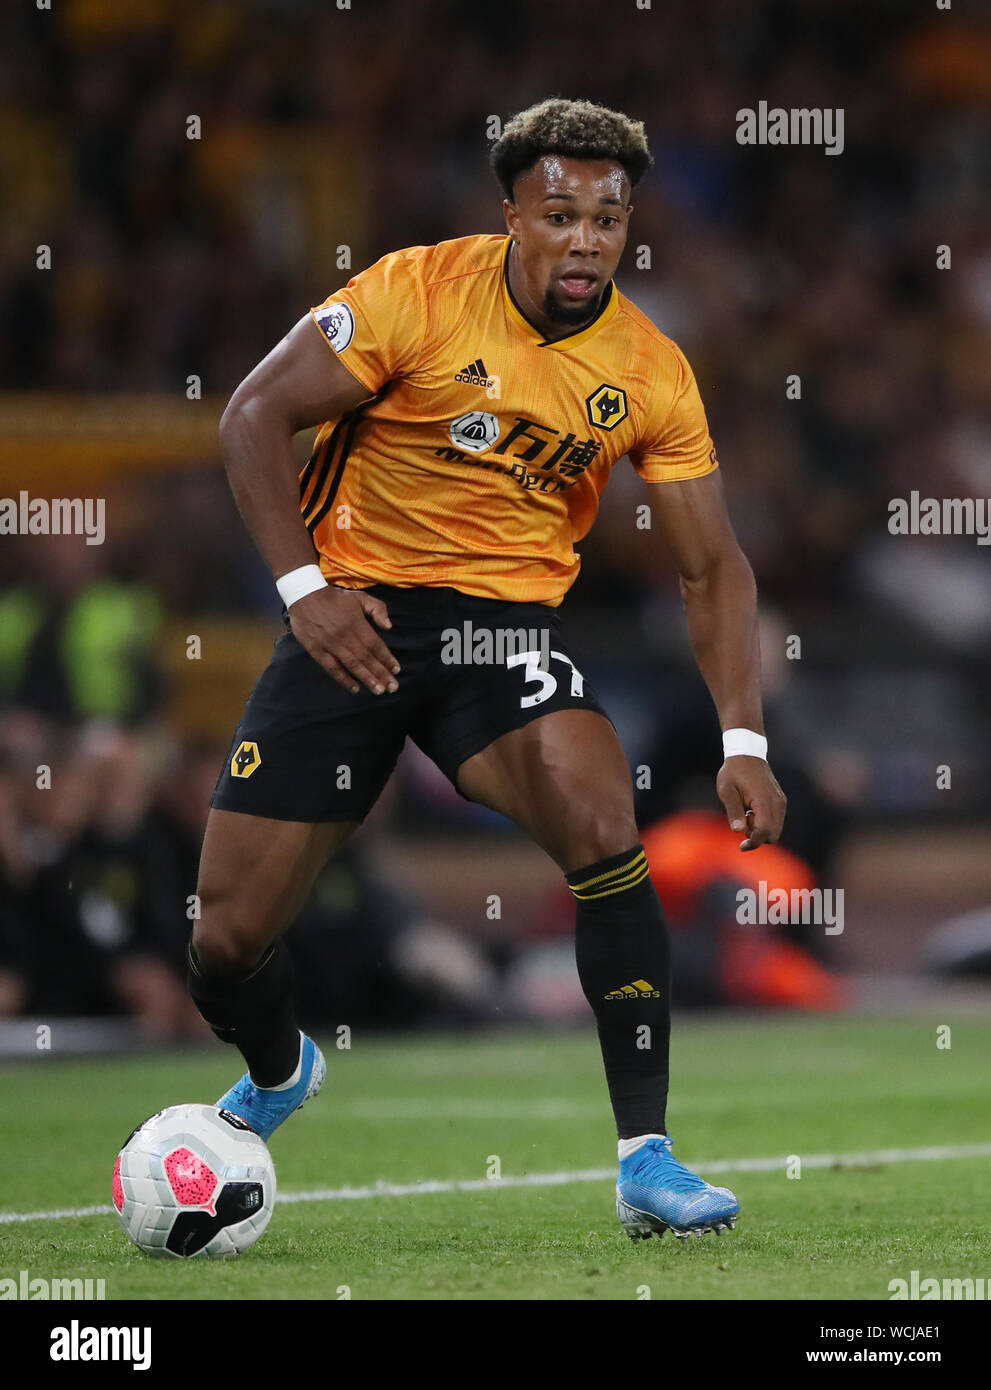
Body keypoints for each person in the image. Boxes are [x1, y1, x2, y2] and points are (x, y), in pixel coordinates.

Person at [188, 97, 786, 1243]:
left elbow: (713, 568)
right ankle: (277, 1070)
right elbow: (252, 418)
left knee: (603, 817)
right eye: (560, 214)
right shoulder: (410, 294)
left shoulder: (647, 369)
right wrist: (305, 594)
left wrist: (743, 740)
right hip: (353, 613)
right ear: (511, 212)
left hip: (499, 634)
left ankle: (645, 1157)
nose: (586, 240)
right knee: (224, 938)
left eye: (608, 219)